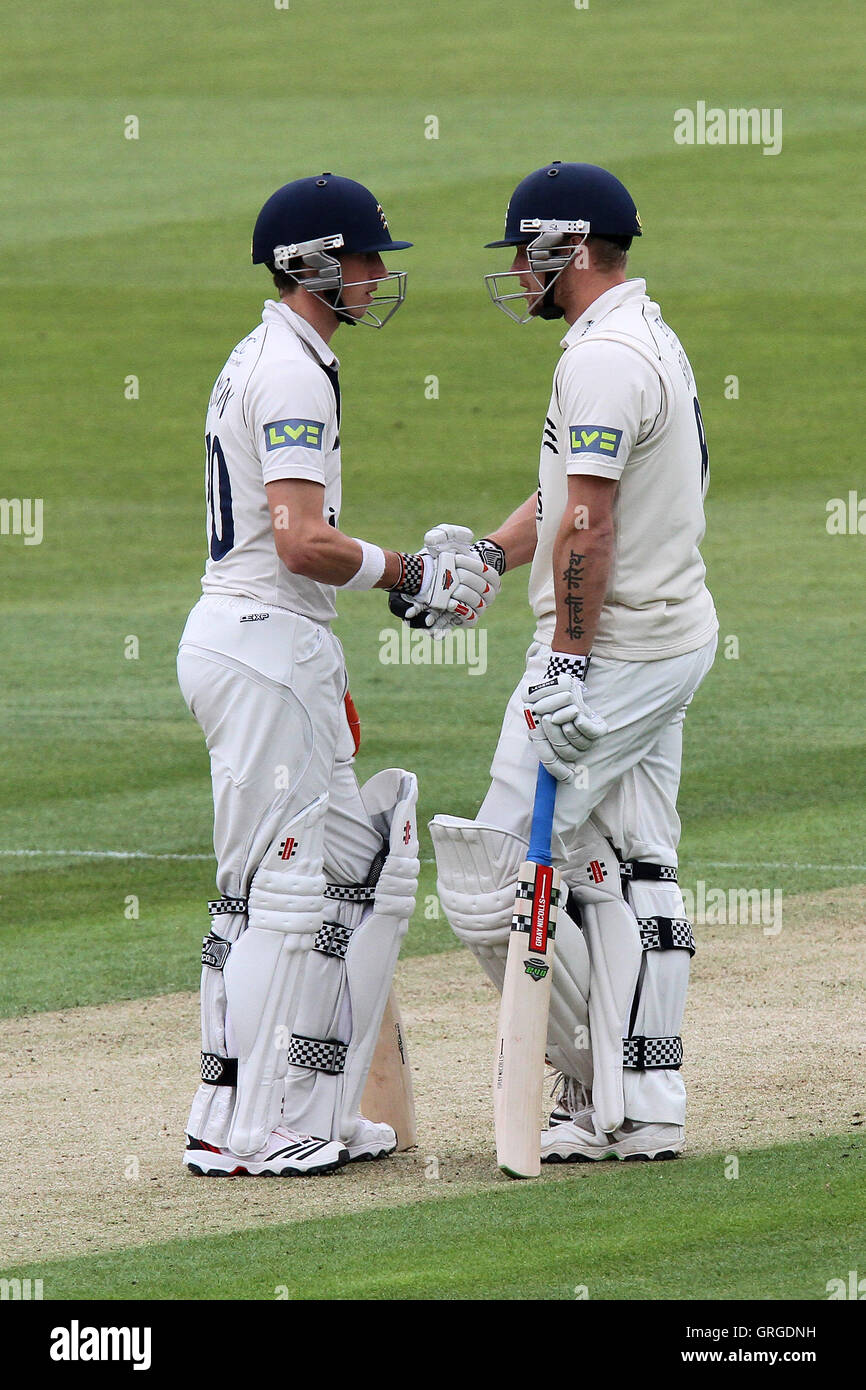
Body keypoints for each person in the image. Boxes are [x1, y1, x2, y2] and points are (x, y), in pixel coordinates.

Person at [177, 173, 499, 1177]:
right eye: (364, 258)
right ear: (313, 264)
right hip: (262, 642)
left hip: (273, 646)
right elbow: (299, 543)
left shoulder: (279, 356)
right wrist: (407, 573)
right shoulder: (289, 373)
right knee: (273, 895)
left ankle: (296, 1111)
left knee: (356, 866)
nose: (376, 274)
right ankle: (242, 1132)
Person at [425, 162, 718, 1162]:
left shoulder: (601, 358)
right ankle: (641, 1103)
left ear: (569, 249)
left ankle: (598, 1083)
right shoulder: (635, 338)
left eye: (524, 251)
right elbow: (565, 495)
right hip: (663, 632)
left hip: (618, 646)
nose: (514, 271)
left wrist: (563, 657)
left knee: (491, 874)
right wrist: (489, 556)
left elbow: (589, 524)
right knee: (629, 861)